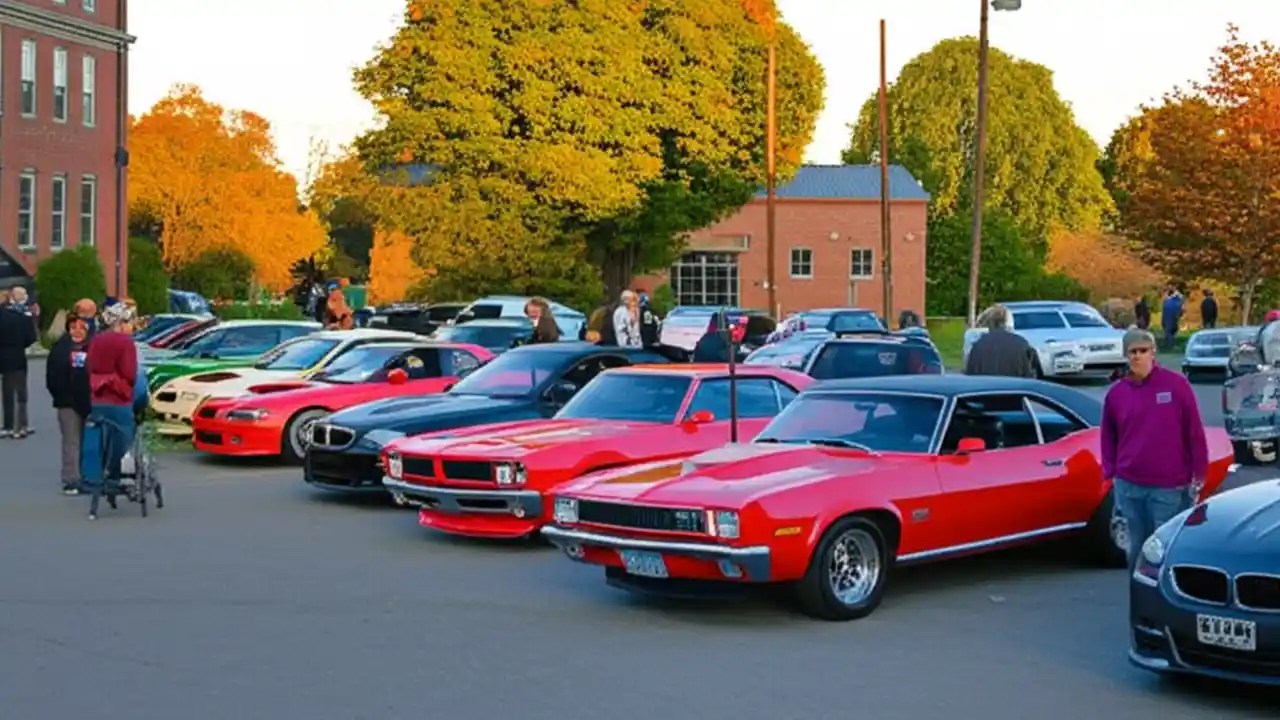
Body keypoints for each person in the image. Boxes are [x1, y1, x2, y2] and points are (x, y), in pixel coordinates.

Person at [1101, 328, 1208, 568]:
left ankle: (1165, 593)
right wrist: (1110, 473)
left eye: (1143, 350)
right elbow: (1108, 436)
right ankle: (1138, 591)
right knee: (1136, 548)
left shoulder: (1176, 385)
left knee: (1165, 549)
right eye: (1133, 352)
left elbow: (1194, 432)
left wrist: (1199, 473)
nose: (1138, 356)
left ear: (1153, 353)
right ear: (1126, 356)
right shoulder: (1116, 394)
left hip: (1168, 486)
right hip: (1129, 485)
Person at [84, 303, 139, 516]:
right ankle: (118, 477)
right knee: (124, 437)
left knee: (103, 437)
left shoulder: (96, 340)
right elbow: (129, 373)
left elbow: (89, 367)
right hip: (118, 398)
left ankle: (102, 474)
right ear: (121, 323)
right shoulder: (125, 342)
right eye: (130, 322)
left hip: (97, 398)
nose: (131, 327)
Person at [47, 315, 93, 495]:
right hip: (67, 403)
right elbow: (52, 378)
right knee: (71, 441)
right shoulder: (60, 349)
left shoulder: (94, 347)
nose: (77, 331)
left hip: (89, 401)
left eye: (81, 328)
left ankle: (88, 476)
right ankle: (71, 480)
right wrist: (61, 396)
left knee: (88, 441)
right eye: (73, 327)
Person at [0, 286, 40, 438]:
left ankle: (8, 424)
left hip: (3, 355)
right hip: (17, 356)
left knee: (7, 392)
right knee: (20, 392)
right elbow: (30, 338)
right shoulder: (23, 317)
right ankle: (21, 424)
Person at [963, 305, 1036, 377]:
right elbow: (1033, 372)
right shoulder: (1022, 344)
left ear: (989, 324)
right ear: (1010, 323)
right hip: (1014, 384)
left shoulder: (977, 345)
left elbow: (970, 372)